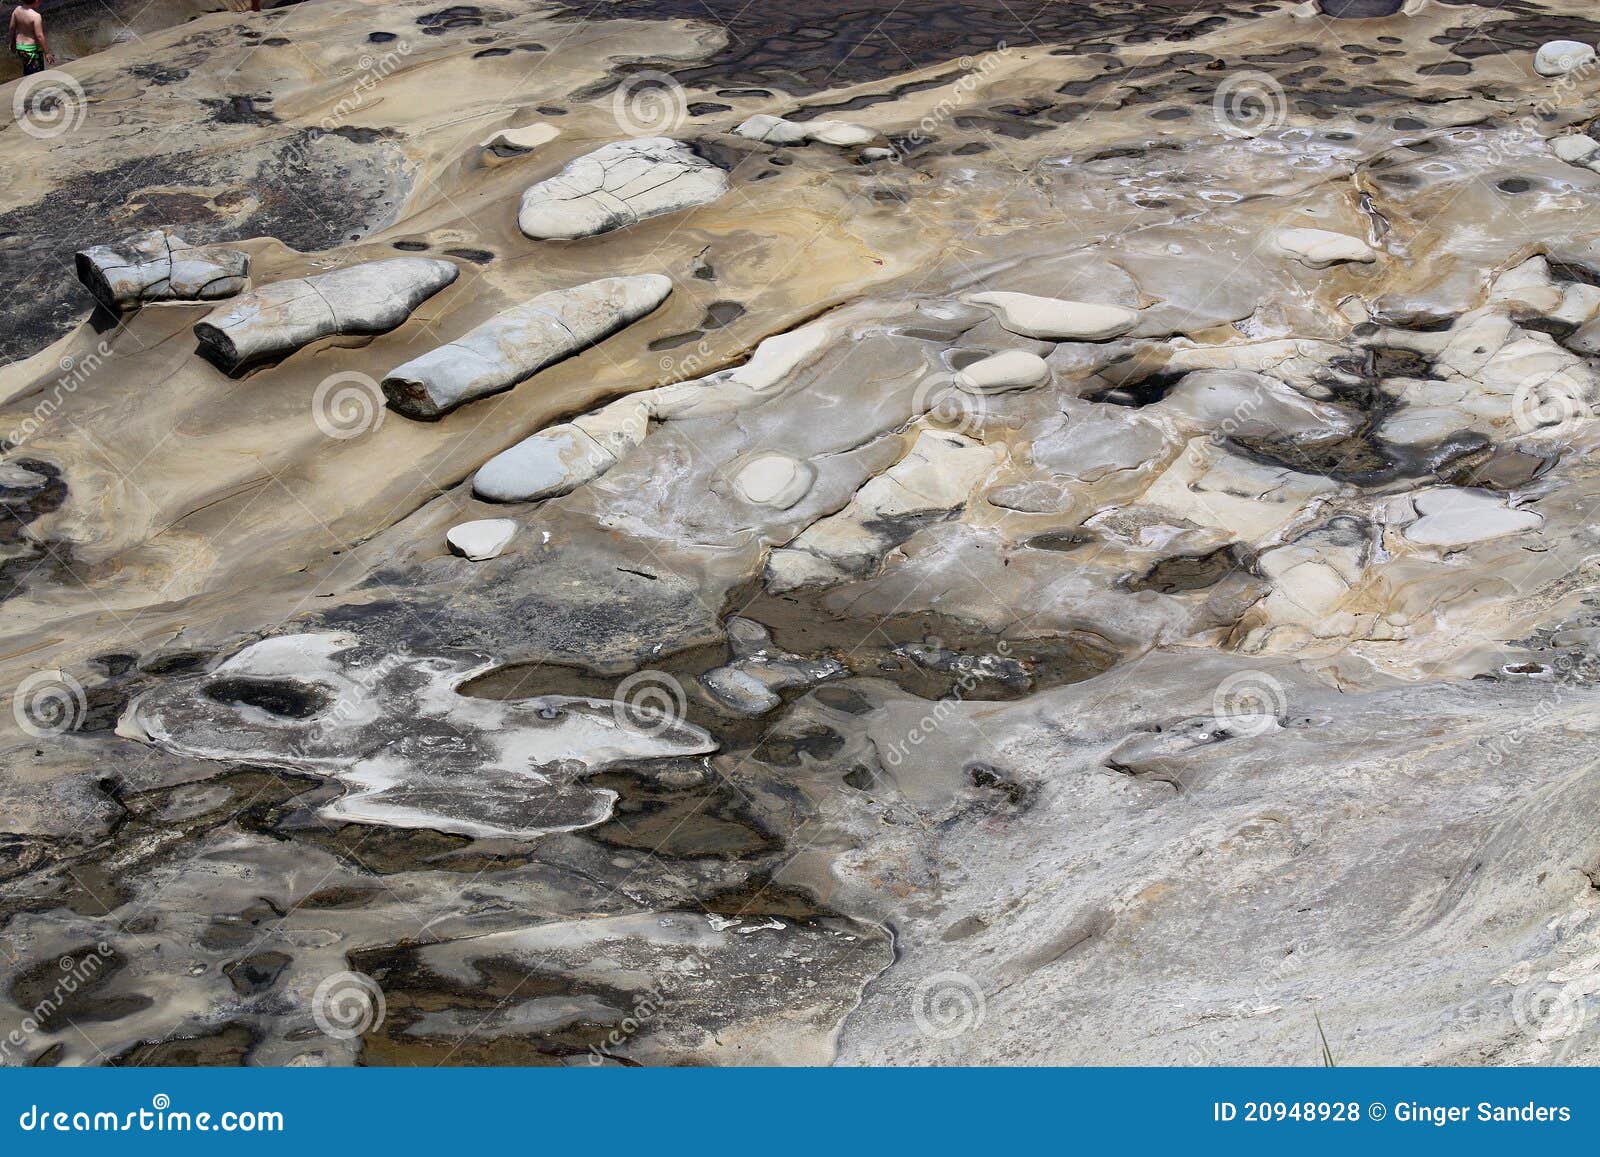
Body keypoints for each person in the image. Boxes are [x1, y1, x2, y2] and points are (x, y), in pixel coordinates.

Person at [8, 0, 53, 76]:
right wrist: (47, 53)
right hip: (32, 50)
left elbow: (12, 28)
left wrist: (12, 42)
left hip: (20, 47)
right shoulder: (36, 16)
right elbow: (39, 36)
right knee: (36, 74)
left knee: (27, 69)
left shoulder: (17, 10)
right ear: (36, 1)